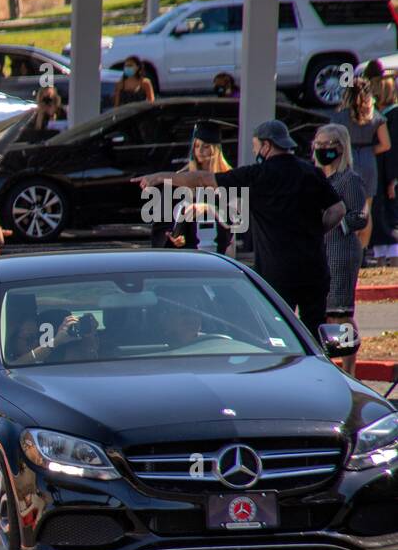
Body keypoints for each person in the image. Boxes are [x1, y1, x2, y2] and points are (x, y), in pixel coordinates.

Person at [133, 120, 346, 334]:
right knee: (316, 333)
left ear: (266, 146)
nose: (254, 150)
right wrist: (314, 233)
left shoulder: (257, 175)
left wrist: (160, 176)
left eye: (255, 145)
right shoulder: (310, 172)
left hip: (278, 270)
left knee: (281, 332)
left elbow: (202, 179)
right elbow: (338, 210)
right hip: (314, 268)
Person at [314, 123, 370, 374]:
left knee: (341, 312)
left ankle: (349, 368)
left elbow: (360, 216)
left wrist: (333, 220)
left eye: (329, 145)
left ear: (341, 147)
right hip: (321, 250)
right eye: (319, 144)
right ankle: (331, 364)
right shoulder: (315, 177)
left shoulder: (349, 179)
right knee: (326, 313)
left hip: (342, 250)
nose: (324, 149)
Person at [157, 121, 234, 253]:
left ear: (216, 149)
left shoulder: (228, 178)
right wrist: (174, 236)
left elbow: (236, 219)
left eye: (205, 146)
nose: (200, 151)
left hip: (220, 249)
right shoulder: (182, 179)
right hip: (189, 251)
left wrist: (208, 208)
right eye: (197, 146)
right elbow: (165, 223)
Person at [332, 82, 391, 253]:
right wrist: (368, 151)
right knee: (366, 208)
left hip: (347, 160)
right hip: (368, 160)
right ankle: (362, 250)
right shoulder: (375, 116)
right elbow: (386, 144)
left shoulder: (340, 117)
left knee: (346, 205)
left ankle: (346, 247)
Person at [375, 76, 398, 260]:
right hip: (381, 169)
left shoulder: (393, 116)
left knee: (389, 211)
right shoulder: (382, 116)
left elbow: (393, 150)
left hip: (388, 171)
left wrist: (392, 179)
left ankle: (390, 251)